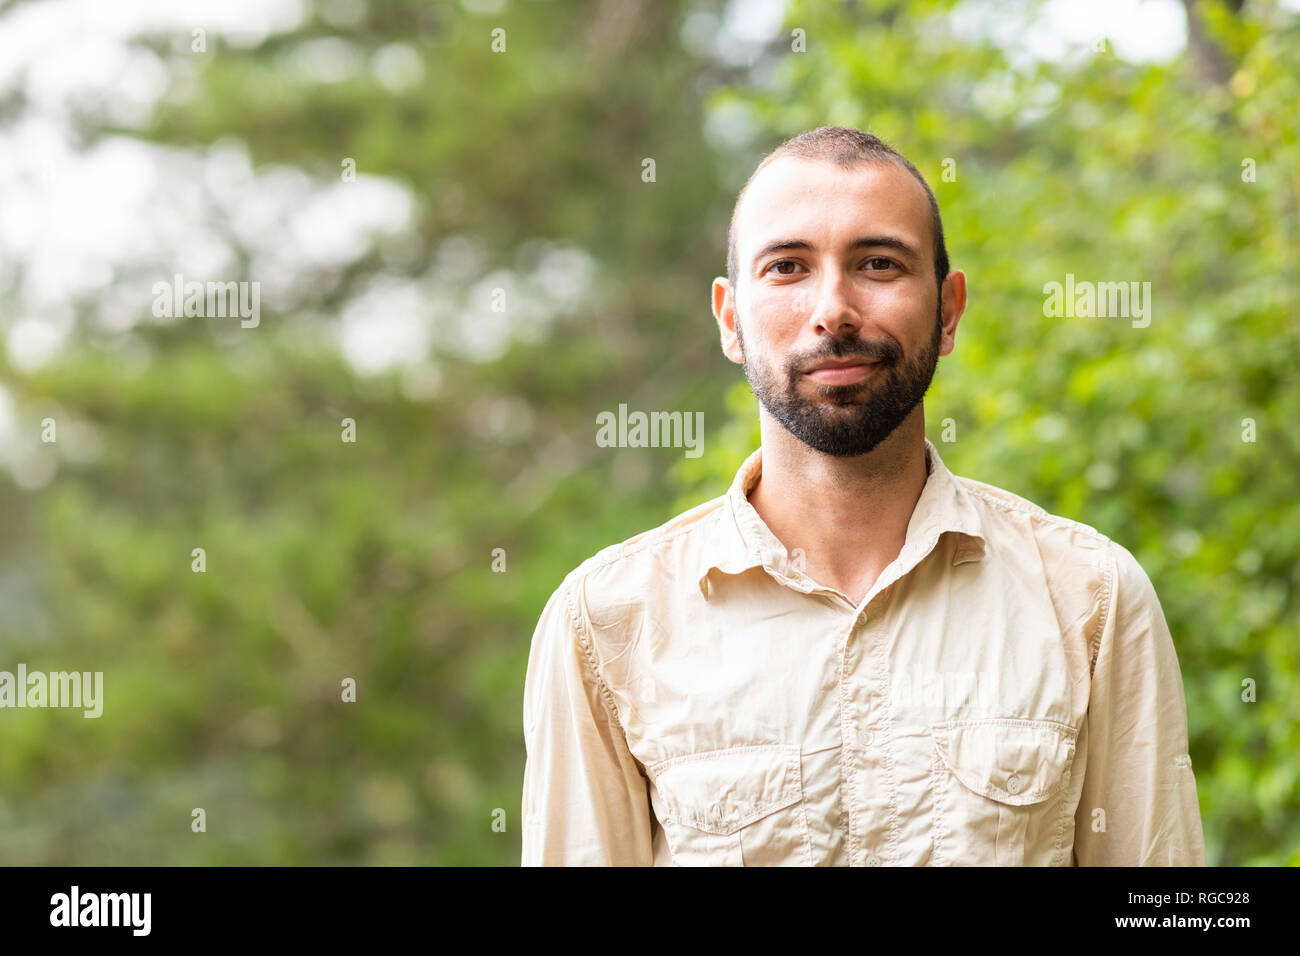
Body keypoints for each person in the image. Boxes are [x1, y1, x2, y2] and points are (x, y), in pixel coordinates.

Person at [520, 125, 1206, 866]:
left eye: (878, 264)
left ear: (947, 311)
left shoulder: (1092, 599)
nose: (833, 311)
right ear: (730, 320)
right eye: (787, 268)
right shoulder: (605, 624)